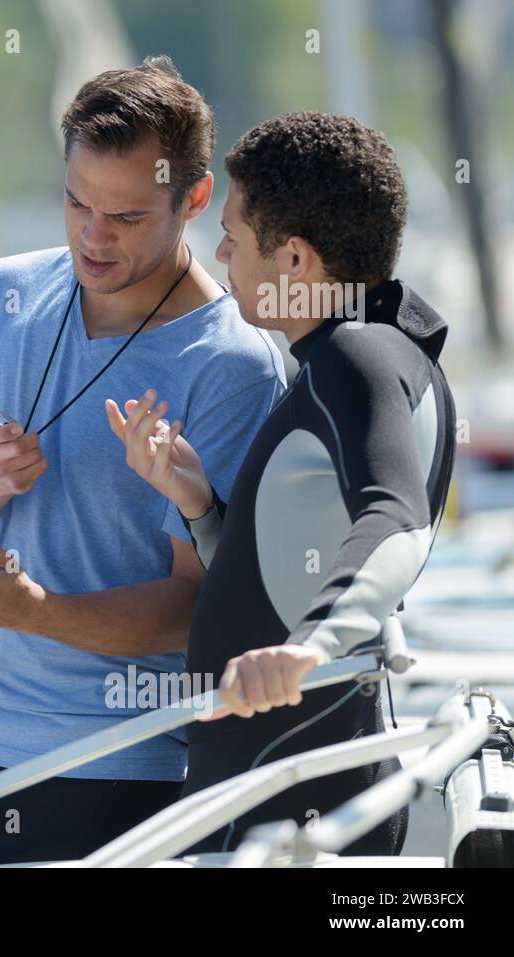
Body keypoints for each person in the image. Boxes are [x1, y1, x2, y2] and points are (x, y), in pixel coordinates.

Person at [0, 57, 286, 867]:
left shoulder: (234, 367)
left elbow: (198, 606)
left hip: (118, 770)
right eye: (77, 203)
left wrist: (34, 611)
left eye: (128, 217)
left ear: (195, 199)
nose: (93, 237)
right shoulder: (0, 294)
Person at [106, 112, 456, 855]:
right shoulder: (382, 352)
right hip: (289, 787)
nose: (220, 251)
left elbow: (397, 517)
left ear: (293, 259)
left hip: (285, 807)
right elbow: (290, 566)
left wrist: (311, 647)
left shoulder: (356, 359)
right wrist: (197, 501)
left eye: (233, 233)